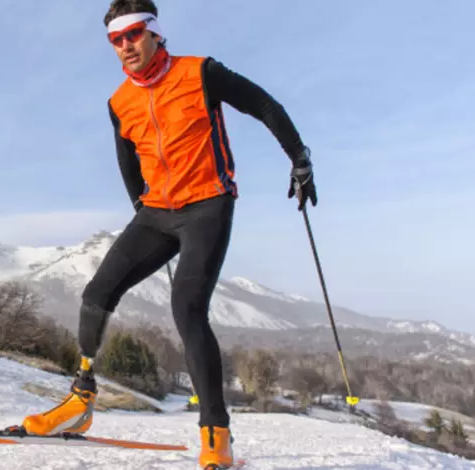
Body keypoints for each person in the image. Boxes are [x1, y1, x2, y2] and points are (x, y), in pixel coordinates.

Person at [20, 0, 317, 468]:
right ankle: (80, 401)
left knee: (187, 307)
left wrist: (299, 158)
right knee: (96, 293)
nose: (125, 46)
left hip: (207, 204)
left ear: (155, 33)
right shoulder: (119, 102)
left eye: (133, 34)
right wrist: (142, 204)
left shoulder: (201, 73)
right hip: (157, 211)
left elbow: (263, 104)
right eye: (115, 40)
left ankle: (216, 435)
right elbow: (126, 159)